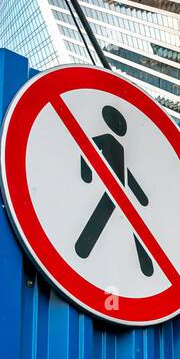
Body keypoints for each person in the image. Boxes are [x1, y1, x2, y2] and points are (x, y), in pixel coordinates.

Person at [75, 105, 153, 276]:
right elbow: (86, 154)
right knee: (103, 219)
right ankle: (82, 248)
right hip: (111, 191)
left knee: (131, 225)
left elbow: (126, 173)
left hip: (120, 192)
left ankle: (146, 261)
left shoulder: (120, 147)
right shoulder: (103, 139)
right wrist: (86, 174)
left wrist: (141, 196)